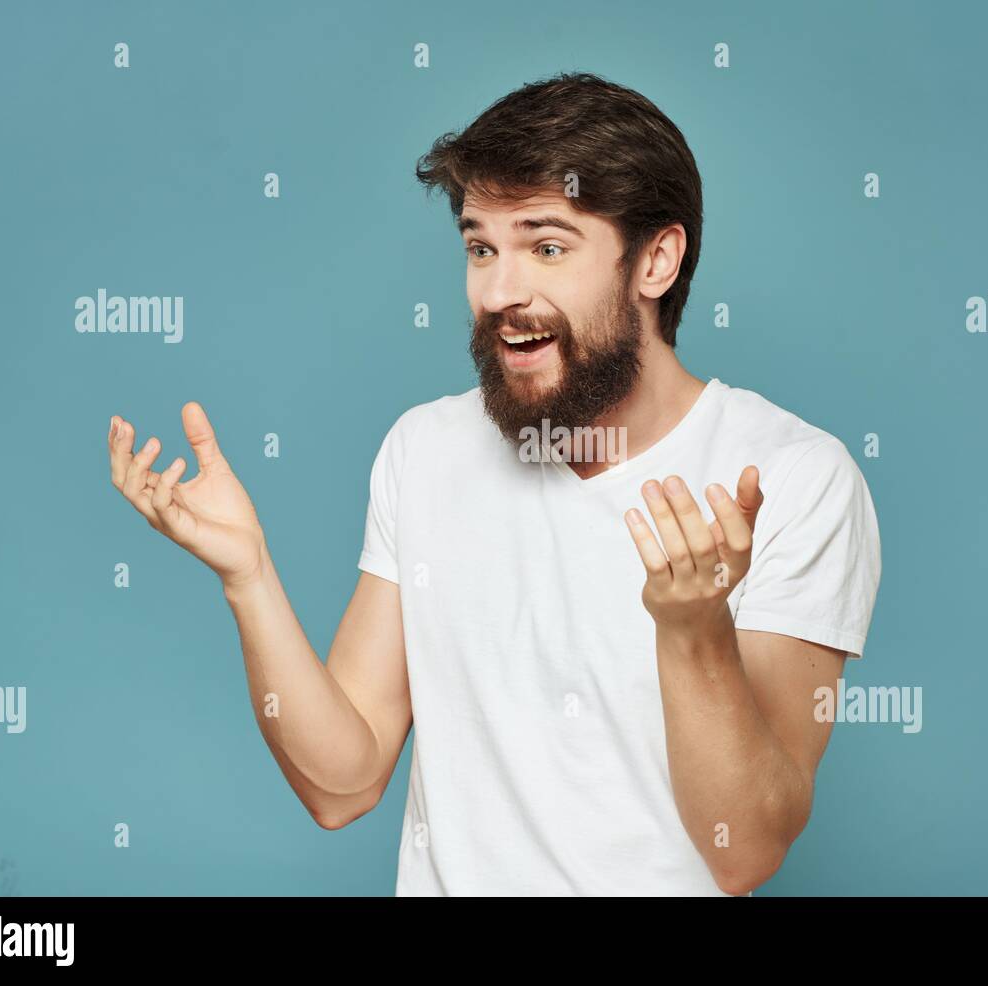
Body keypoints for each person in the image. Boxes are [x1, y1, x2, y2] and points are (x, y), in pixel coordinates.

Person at [106, 72, 882, 896]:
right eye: (481, 247)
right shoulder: (426, 448)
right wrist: (248, 577)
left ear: (656, 259)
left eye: (546, 247)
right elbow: (345, 783)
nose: (500, 293)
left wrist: (693, 634)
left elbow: (747, 849)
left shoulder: (795, 478)